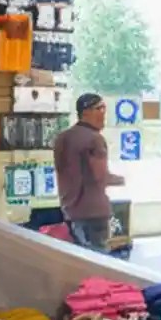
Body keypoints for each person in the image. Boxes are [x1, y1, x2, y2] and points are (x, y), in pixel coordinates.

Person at [54, 93, 124, 252]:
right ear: (85, 112)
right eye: (100, 108)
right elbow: (100, 176)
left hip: (70, 209)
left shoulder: (62, 138)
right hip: (93, 212)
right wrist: (122, 180)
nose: (104, 113)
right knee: (98, 260)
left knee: (79, 259)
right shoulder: (94, 139)